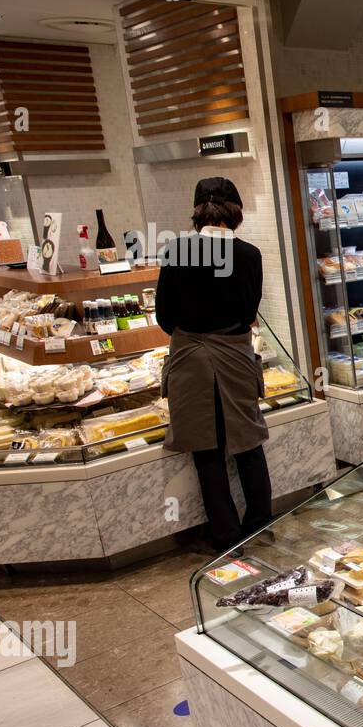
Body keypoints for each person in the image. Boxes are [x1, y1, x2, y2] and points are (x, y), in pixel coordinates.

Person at [156, 177, 271, 551]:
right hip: (236, 355)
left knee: (207, 449)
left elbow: (164, 315)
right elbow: (250, 311)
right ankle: (260, 523)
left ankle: (225, 535)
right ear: (235, 211)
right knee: (248, 443)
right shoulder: (250, 254)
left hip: (190, 360)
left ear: (195, 212)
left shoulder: (177, 252)